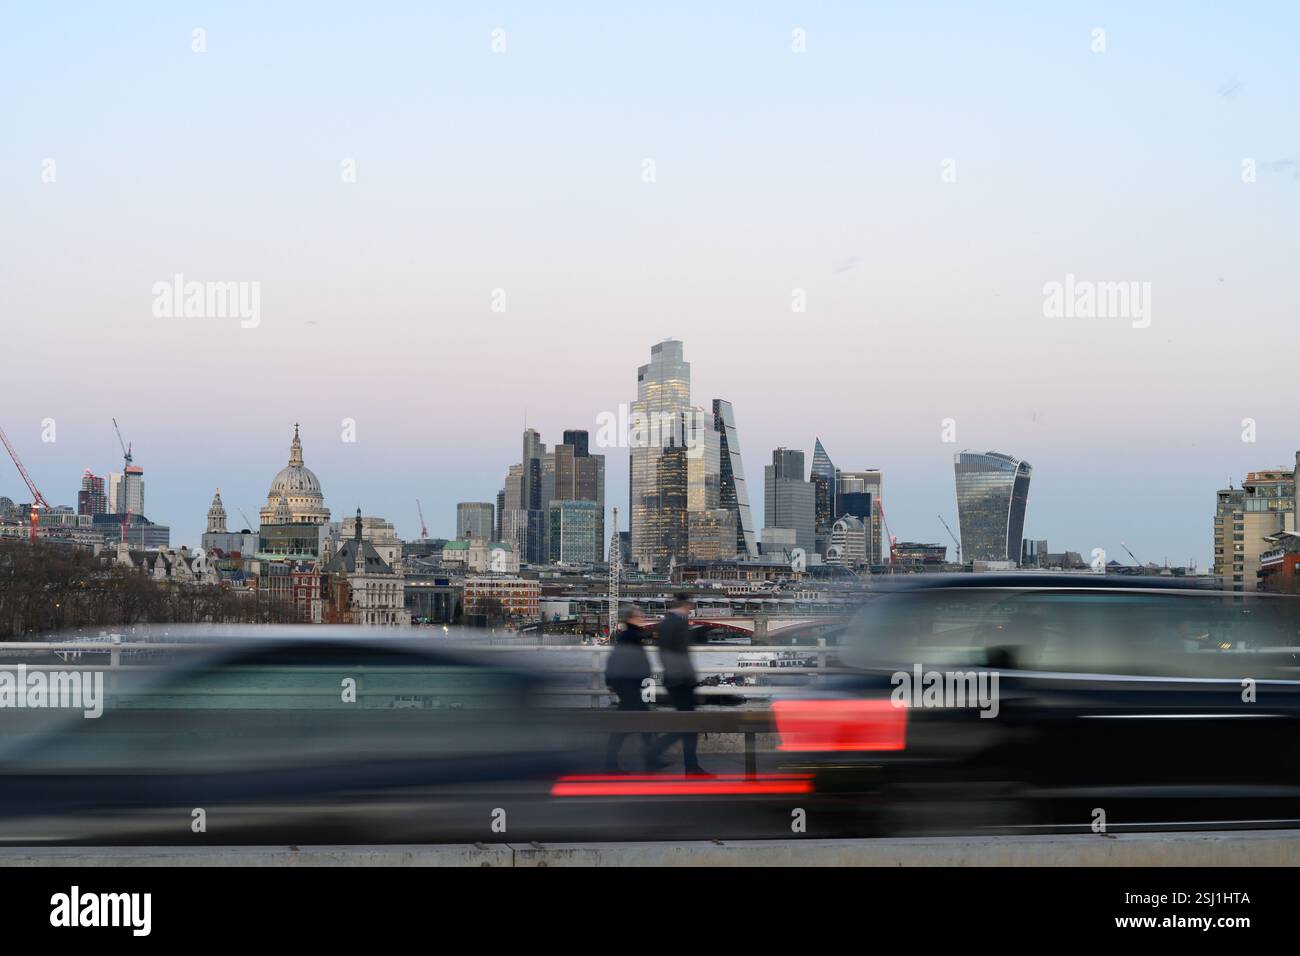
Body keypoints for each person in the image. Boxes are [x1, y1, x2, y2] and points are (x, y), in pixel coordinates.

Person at [649, 593, 712, 776]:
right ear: (684, 605)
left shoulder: (666, 623)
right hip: (681, 679)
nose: (691, 610)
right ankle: (658, 753)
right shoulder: (677, 623)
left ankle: (688, 764)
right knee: (689, 724)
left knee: (686, 723)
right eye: (689, 607)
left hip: (673, 678)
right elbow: (680, 655)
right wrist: (690, 678)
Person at [604, 604, 664, 773]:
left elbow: (614, 659)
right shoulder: (630, 636)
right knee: (631, 725)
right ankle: (614, 763)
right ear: (630, 618)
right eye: (639, 615)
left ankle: (648, 759)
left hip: (631, 683)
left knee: (640, 723)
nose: (642, 617)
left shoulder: (631, 635)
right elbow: (616, 659)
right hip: (629, 684)